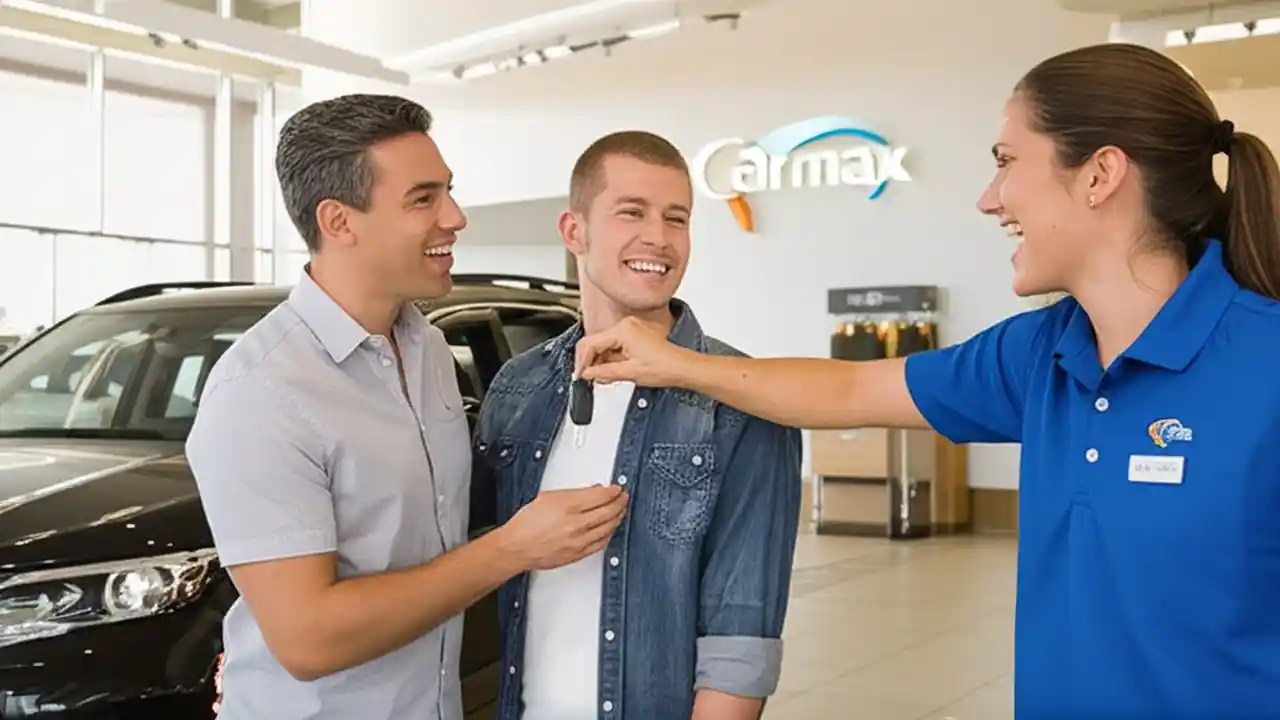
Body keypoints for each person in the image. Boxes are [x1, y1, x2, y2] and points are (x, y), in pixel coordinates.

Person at [574, 43, 1280, 719]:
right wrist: (675, 363)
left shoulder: (1263, 363)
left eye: (1005, 162)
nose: (987, 197)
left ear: (1099, 175)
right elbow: (848, 391)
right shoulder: (1042, 353)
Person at [185, 94, 627, 720]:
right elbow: (309, 638)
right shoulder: (264, 392)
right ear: (339, 221)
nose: (455, 216)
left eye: (448, 191)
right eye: (423, 199)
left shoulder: (428, 350)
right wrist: (511, 549)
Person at [472, 130, 802, 720]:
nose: (659, 237)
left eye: (677, 218)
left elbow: (740, 639)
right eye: (632, 212)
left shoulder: (739, 398)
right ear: (574, 230)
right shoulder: (518, 389)